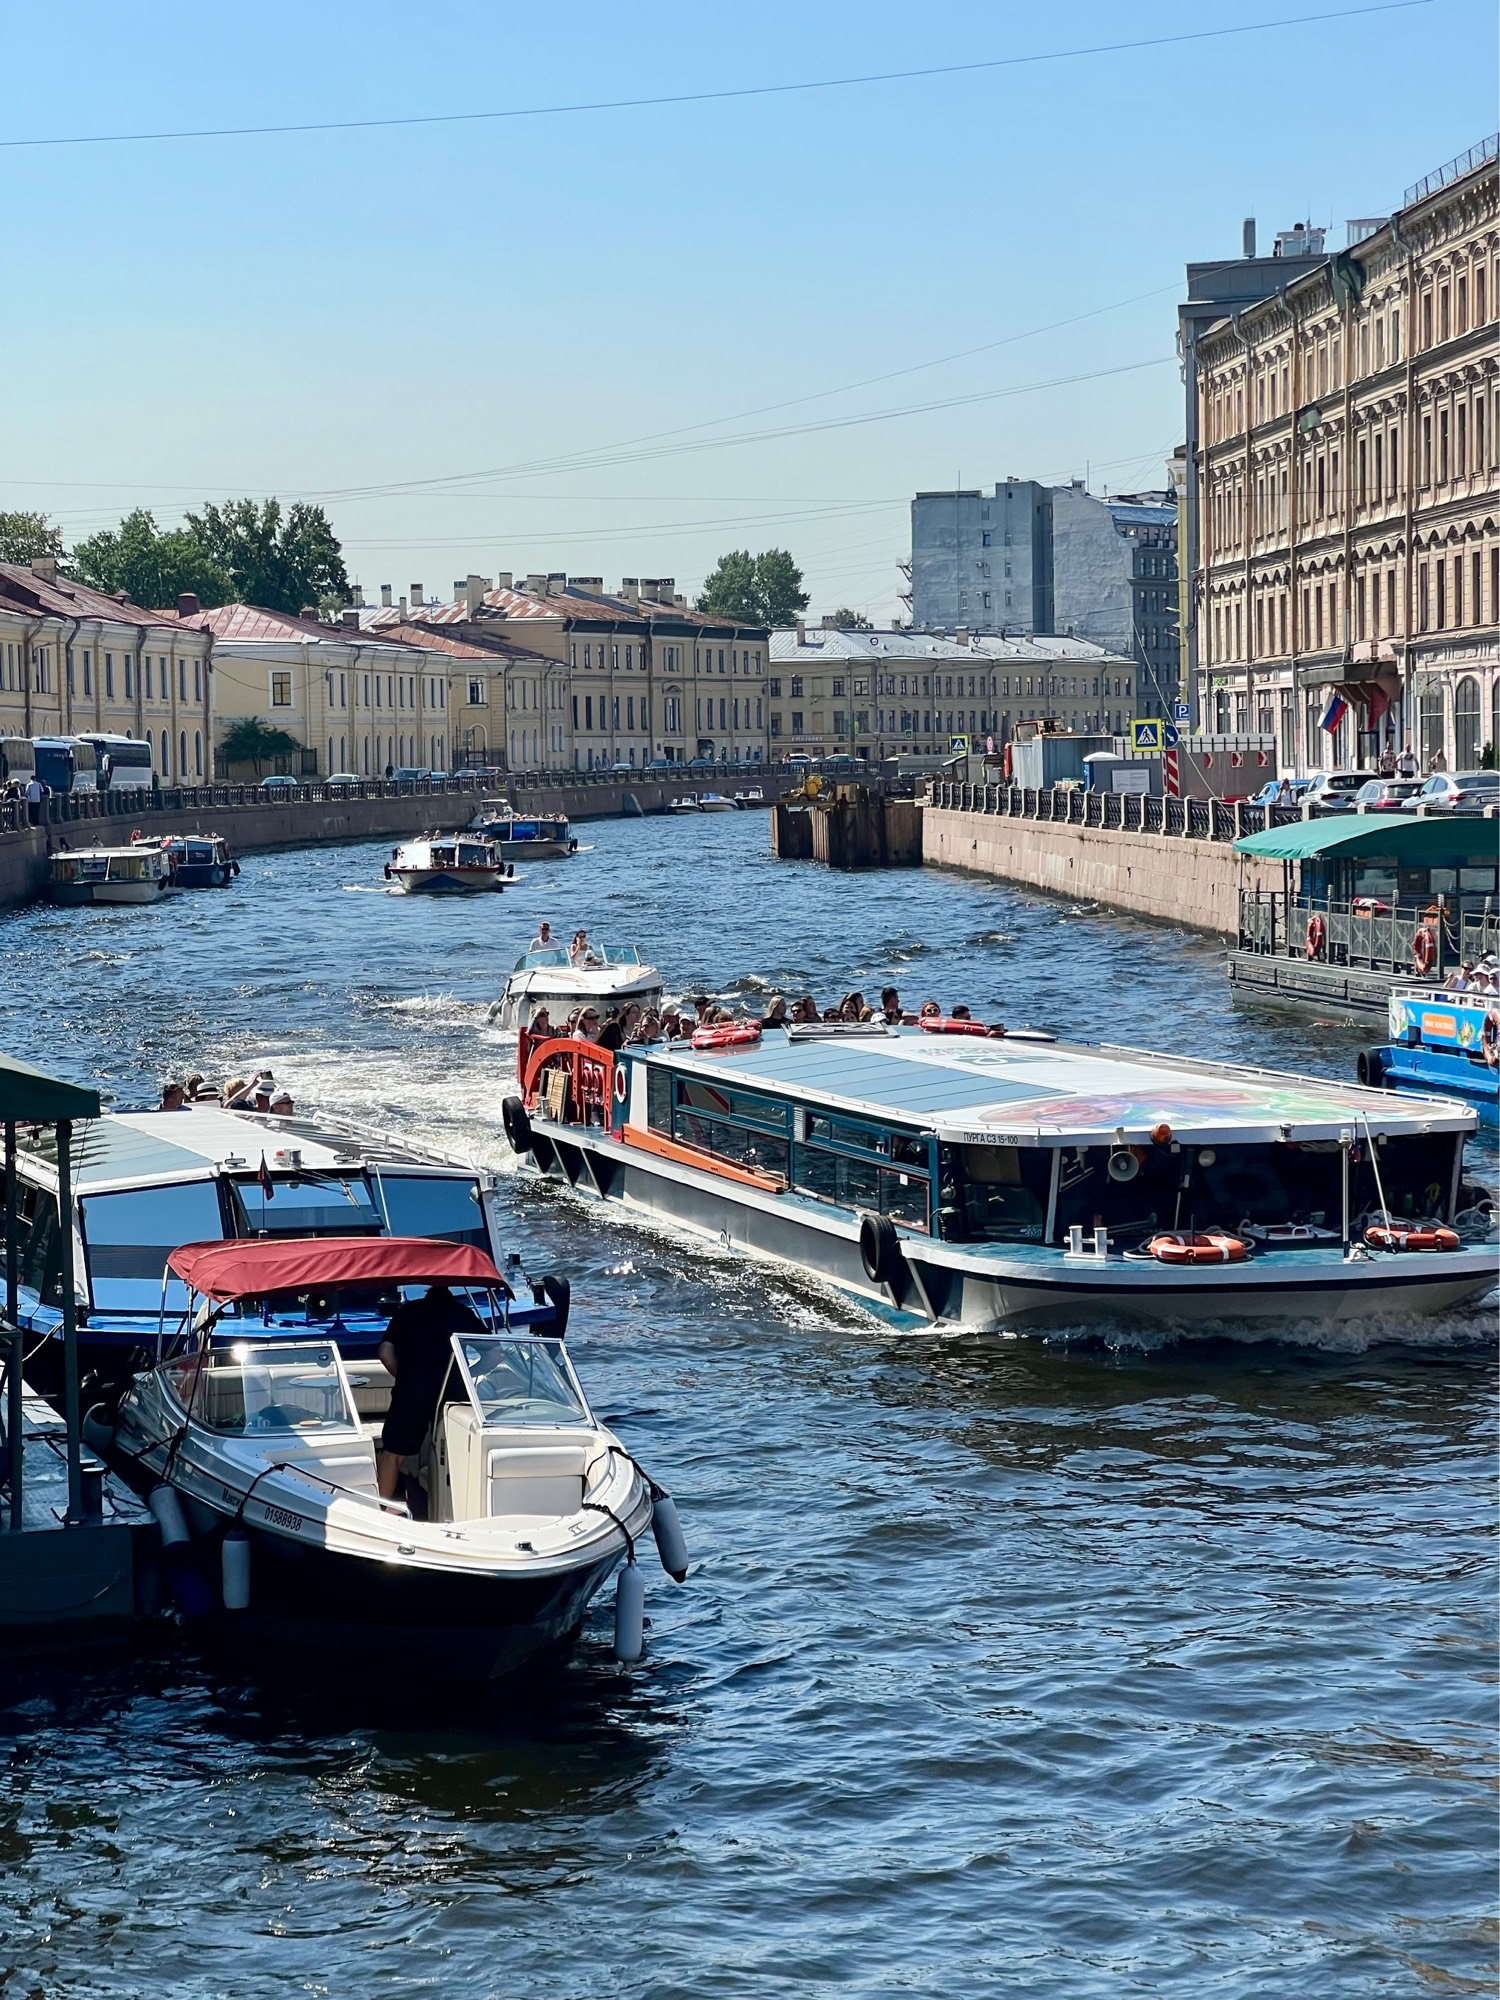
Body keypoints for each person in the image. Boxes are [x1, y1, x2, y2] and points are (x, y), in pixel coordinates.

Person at [376, 1283, 487, 1500]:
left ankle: (380, 1508)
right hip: (452, 1392)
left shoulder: (407, 1311)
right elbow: (496, 1354)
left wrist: (405, 1378)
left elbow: (384, 1353)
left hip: (412, 1390)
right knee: (453, 1451)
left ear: (427, 1293)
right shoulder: (463, 1314)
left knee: (393, 1454)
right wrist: (466, 1375)